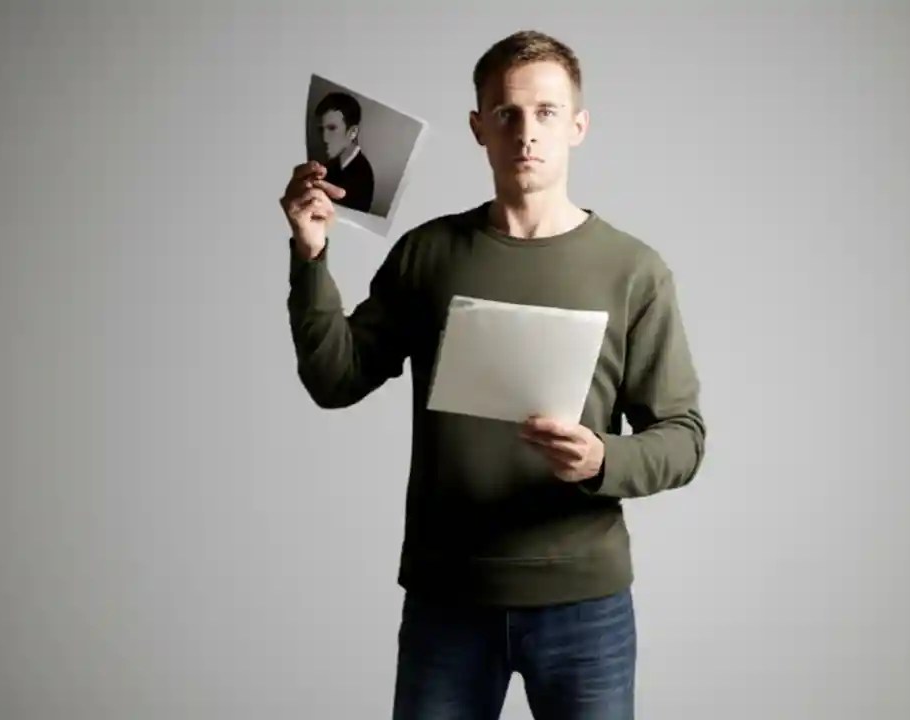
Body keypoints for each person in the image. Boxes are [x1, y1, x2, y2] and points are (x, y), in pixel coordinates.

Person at [280, 30, 705, 720]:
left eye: (545, 112)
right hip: (448, 600)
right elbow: (336, 379)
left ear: (578, 125)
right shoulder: (430, 254)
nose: (526, 132)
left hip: (584, 606)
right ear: (479, 127)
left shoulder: (635, 271)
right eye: (506, 113)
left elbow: (683, 437)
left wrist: (603, 458)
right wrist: (310, 256)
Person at [314, 91, 375, 213]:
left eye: (332, 128)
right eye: (321, 129)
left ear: (352, 132)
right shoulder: (330, 165)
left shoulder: (362, 176)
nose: (324, 138)